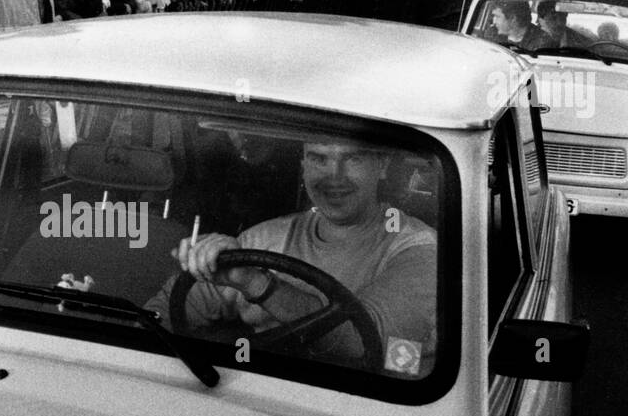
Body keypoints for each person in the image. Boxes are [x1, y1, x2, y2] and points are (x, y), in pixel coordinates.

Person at [145, 134, 436, 369]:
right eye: (319, 158)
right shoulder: (269, 236)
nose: (334, 176)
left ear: (382, 165)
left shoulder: (416, 247)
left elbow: (363, 341)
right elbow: (164, 313)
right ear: (304, 164)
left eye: (353, 159)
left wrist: (257, 283)